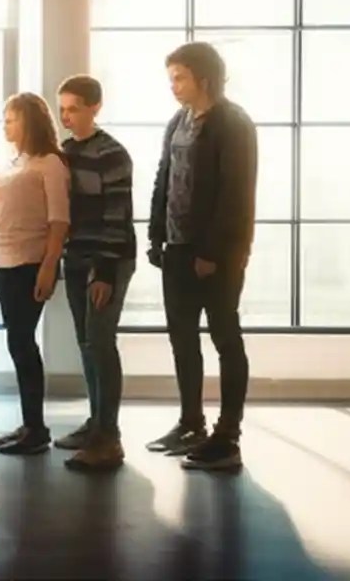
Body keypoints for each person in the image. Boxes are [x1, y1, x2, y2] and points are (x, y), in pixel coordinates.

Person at [146, 42, 257, 472]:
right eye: (171, 78)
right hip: (177, 250)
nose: (173, 86)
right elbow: (164, 178)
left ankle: (228, 437)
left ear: (204, 78)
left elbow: (236, 192)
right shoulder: (179, 120)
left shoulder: (233, 123)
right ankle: (191, 423)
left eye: (180, 78)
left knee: (225, 337)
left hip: (216, 254)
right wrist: (156, 235)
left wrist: (212, 251)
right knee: (182, 338)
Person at [56, 75, 136, 471]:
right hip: (75, 258)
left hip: (108, 260)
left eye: (73, 108)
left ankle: (110, 437)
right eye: (62, 109)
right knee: (87, 343)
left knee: (102, 343)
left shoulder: (112, 154)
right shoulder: (65, 152)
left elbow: (117, 216)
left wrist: (104, 271)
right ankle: (96, 423)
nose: (66, 116)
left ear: (94, 107)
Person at [0, 92, 70, 456]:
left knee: (22, 341)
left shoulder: (50, 163)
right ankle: (29, 424)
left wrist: (49, 266)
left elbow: (59, 219)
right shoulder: (13, 162)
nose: (6, 125)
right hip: (6, 260)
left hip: (31, 262)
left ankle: (36, 429)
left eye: (12, 119)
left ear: (30, 121)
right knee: (16, 342)